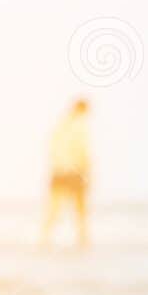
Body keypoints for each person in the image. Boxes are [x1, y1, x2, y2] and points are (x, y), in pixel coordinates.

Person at [42, 99, 91, 247]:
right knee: (79, 209)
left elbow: (52, 149)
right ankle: (82, 239)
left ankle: (44, 238)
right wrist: (87, 171)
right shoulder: (80, 126)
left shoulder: (61, 125)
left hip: (59, 171)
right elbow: (83, 152)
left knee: (54, 208)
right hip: (74, 172)